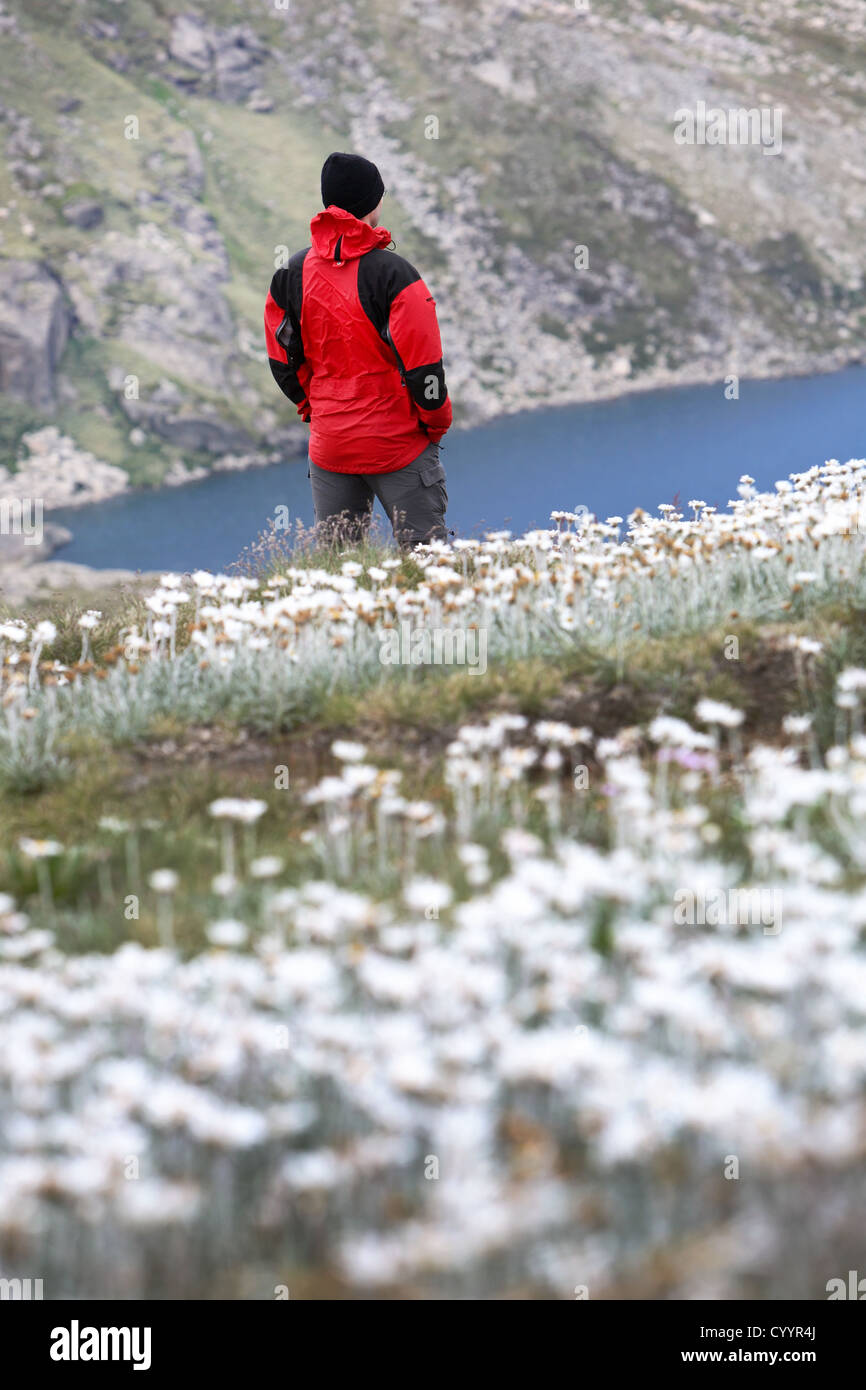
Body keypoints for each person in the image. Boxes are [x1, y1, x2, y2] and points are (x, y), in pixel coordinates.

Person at [264, 152, 452, 548]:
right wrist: (435, 424)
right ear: (373, 203)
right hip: (397, 443)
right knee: (429, 565)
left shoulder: (290, 274)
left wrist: (313, 406)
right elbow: (425, 369)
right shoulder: (394, 273)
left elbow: (282, 359)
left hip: (330, 444)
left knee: (339, 572)